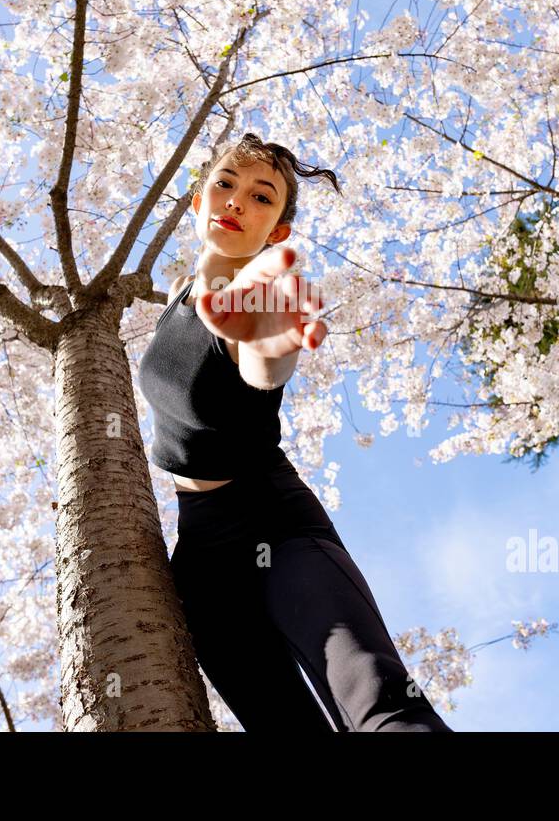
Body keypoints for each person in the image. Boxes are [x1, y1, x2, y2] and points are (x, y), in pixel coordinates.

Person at [137, 132, 453, 732]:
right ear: (198, 201)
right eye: (225, 184)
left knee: (375, 693)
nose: (236, 202)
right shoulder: (176, 304)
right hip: (201, 557)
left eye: (262, 198)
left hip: (275, 524)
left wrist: (271, 345)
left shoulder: (258, 300)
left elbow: (263, 365)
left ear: (277, 233)